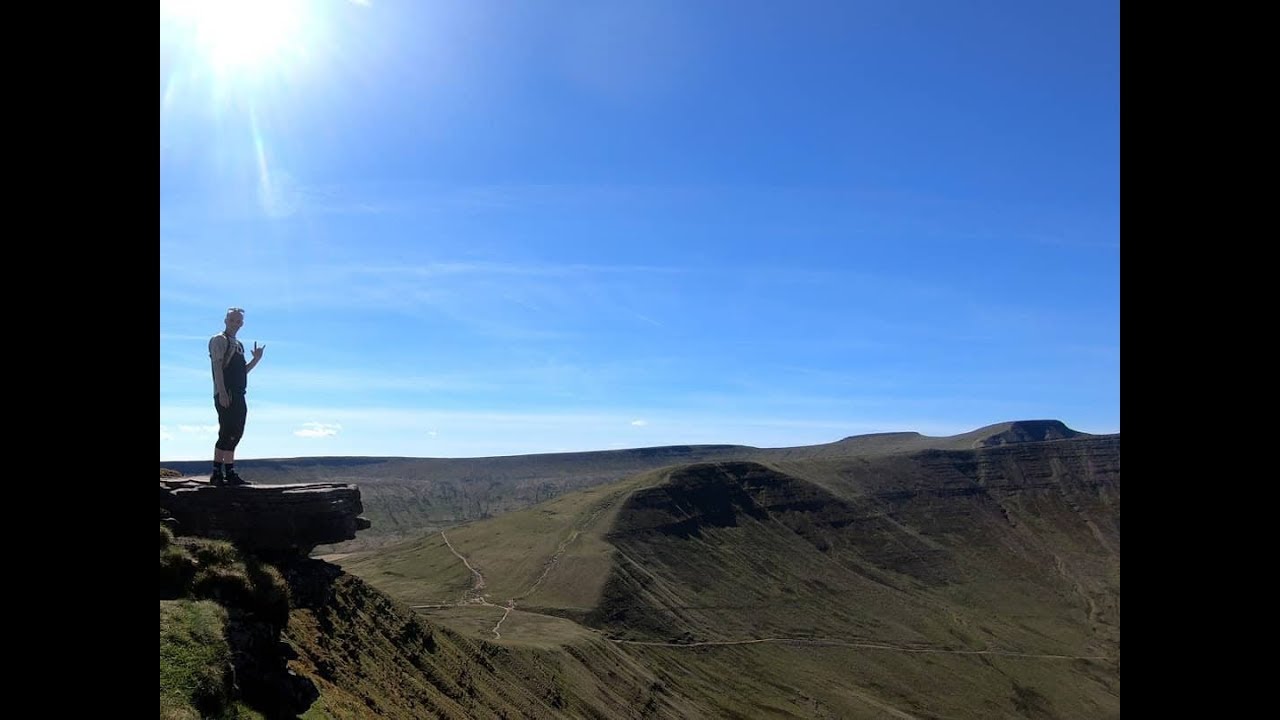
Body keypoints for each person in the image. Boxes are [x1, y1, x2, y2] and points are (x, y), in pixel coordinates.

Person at [208, 307, 265, 486]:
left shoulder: (238, 344)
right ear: (226, 320)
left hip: (239, 393)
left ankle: (229, 471)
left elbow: (242, 372)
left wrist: (256, 359)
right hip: (228, 393)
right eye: (232, 320)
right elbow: (217, 367)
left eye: (238, 321)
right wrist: (222, 392)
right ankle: (217, 473)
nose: (235, 323)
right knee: (226, 431)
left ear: (242, 323)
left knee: (236, 433)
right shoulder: (219, 340)